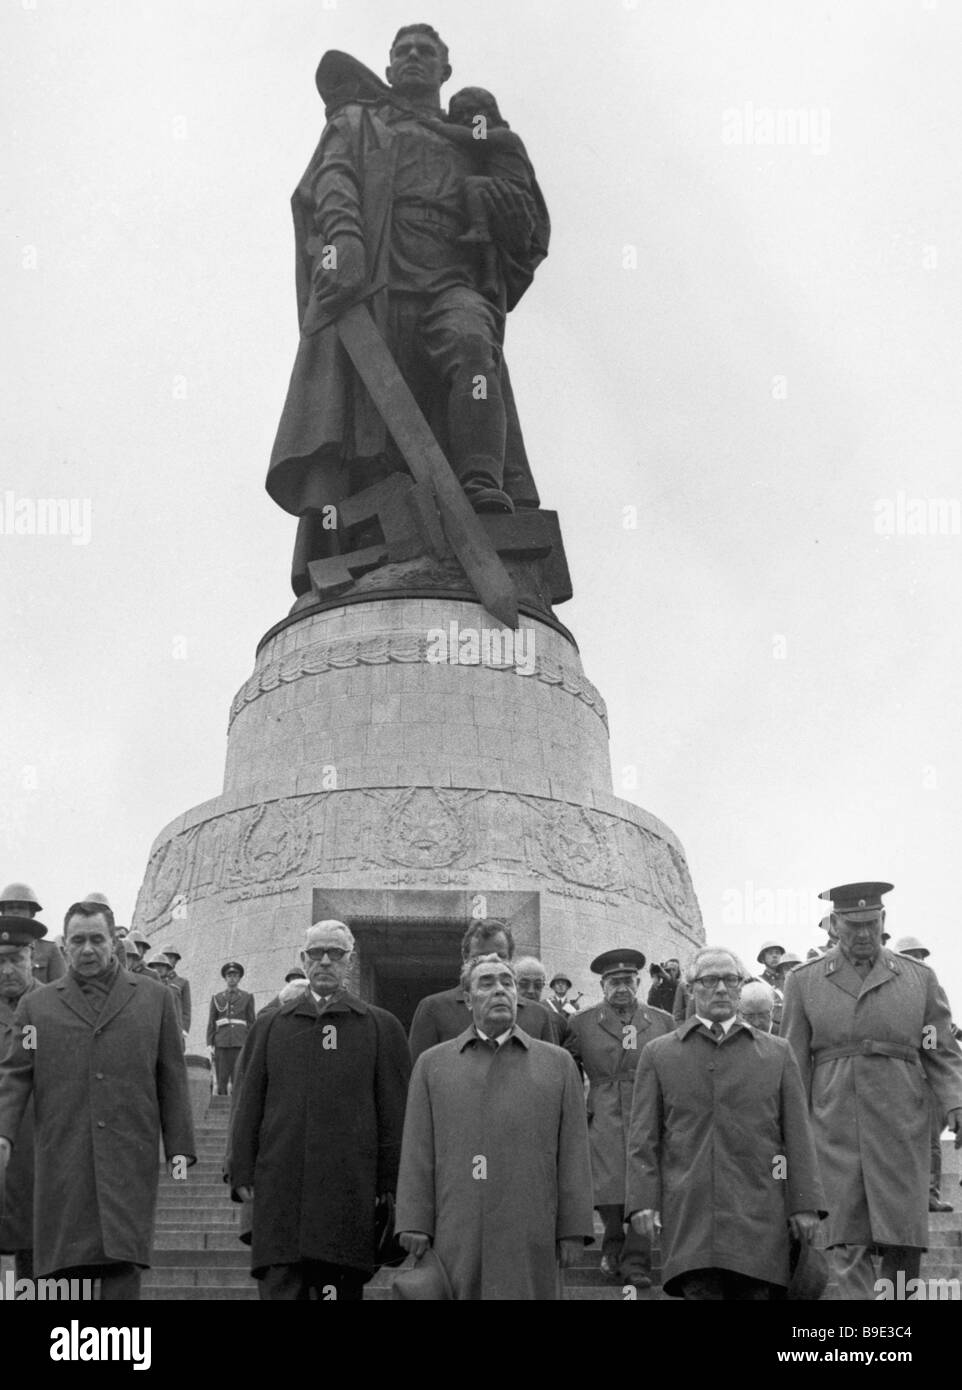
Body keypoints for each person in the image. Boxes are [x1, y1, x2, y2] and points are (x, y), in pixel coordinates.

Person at [267, 24, 550, 593]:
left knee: (473, 347)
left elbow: (523, 216)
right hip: (379, 279)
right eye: (404, 52)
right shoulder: (359, 122)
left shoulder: (470, 138)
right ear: (391, 68)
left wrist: (503, 200)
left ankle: (479, 487)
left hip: (451, 275)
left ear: (446, 70)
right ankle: (380, 541)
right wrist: (343, 239)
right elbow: (334, 181)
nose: (415, 58)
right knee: (371, 416)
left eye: (428, 52)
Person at [0, 900, 194, 1299]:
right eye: (78, 940)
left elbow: (171, 1076)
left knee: (120, 1269)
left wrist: (179, 1149)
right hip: (63, 1164)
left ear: (114, 943)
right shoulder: (37, 1007)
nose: (87, 949)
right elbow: (17, 1072)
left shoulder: (155, 1000)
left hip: (127, 1160)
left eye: (96, 939)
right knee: (61, 1275)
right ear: (64, 947)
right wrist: (3, 1133)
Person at [781, 881, 962, 1298]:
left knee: (904, 1237)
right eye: (852, 925)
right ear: (834, 926)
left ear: (883, 921)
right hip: (833, 1122)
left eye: (871, 923)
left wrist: (955, 1102)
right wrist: (794, 1128)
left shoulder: (918, 977)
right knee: (845, 1237)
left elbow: (939, 1047)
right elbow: (792, 1062)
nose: (862, 933)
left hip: (902, 1122)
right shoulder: (804, 981)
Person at [627, 947, 824, 1300]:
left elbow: (798, 1136)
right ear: (690, 989)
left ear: (740, 987)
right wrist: (642, 1201)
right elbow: (644, 1138)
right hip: (691, 1217)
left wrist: (804, 1203)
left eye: (729, 979)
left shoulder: (777, 1053)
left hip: (759, 1219)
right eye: (709, 980)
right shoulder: (659, 1054)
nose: (720, 988)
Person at [229, 920, 411, 1300]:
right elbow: (249, 1104)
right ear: (303, 959)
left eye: (335, 954)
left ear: (350, 960)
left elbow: (394, 1115)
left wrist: (389, 1185)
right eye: (316, 954)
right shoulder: (270, 1026)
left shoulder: (381, 1027)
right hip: (281, 1194)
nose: (325, 961)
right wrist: (241, 1168)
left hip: (348, 1195)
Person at [396, 954, 593, 1299]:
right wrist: (414, 1220)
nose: (499, 990)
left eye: (507, 982)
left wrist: (573, 1228)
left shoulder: (557, 1063)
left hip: (531, 1224)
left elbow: (574, 1150)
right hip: (457, 1225)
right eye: (486, 983)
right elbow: (417, 1149)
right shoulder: (432, 1064)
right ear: (468, 999)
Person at [564, 948, 674, 1288]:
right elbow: (567, 1067)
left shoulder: (661, 1021)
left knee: (645, 1180)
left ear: (638, 982)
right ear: (602, 986)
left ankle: (636, 1260)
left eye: (628, 980)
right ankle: (613, 1239)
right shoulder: (581, 1022)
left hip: (647, 1109)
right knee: (608, 1183)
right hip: (604, 1108)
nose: (621, 987)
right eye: (614, 981)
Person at [408, 918, 557, 1061]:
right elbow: (418, 1072)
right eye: (479, 957)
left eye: (500, 956)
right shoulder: (433, 1009)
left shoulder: (538, 1015)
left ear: (510, 960)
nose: (490, 962)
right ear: (465, 958)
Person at [0, 915, 45, 1279]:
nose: (7, 969)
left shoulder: (53, 1007)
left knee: (38, 1265)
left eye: (15, 959)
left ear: (32, 956)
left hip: (37, 1154)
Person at [206, 961, 256, 1095]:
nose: (232, 978)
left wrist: (252, 1042)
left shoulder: (247, 997)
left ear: (239, 978)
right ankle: (219, 1111)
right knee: (221, 1078)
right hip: (221, 1042)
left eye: (235, 975)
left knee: (239, 1077)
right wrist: (209, 1043)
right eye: (229, 975)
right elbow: (211, 1022)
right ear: (225, 978)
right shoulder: (217, 998)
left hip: (240, 1042)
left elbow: (251, 1022)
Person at [0, 881, 64, 984]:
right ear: (3, 913)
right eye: (10, 908)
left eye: (21, 907)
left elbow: (60, 988)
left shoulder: (49, 950)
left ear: (32, 913)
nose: (15, 912)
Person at [514, 955, 567, 1042]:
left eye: (537, 985)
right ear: (513, 983)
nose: (531, 991)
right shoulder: (504, 1016)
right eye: (524, 984)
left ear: (543, 985)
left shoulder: (557, 1022)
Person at [163, 949, 192, 1035]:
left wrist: (184, 1029)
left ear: (175, 961)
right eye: (165, 956)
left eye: (171, 957)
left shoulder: (182, 982)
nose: (167, 959)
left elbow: (186, 1009)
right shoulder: (155, 979)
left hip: (176, 1027)